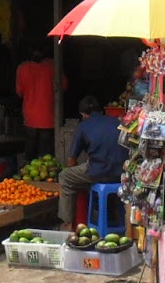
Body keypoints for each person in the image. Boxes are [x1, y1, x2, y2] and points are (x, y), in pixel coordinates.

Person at [58, 96, 125, 229]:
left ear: (83, 114)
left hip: (99, 172)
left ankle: (66, 224)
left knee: (65, 177)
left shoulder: (83, 126)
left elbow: (72, 160)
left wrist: (76, 172)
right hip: (123, 173)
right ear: (101, 111)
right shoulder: (115, 121)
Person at [15, 52, 64, 159]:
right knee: (46, 157)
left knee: (30, 156)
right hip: (48, 118)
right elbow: (63, 86)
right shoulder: (53, 65)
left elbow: (19, 92)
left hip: (30, 118)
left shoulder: (22, 68)